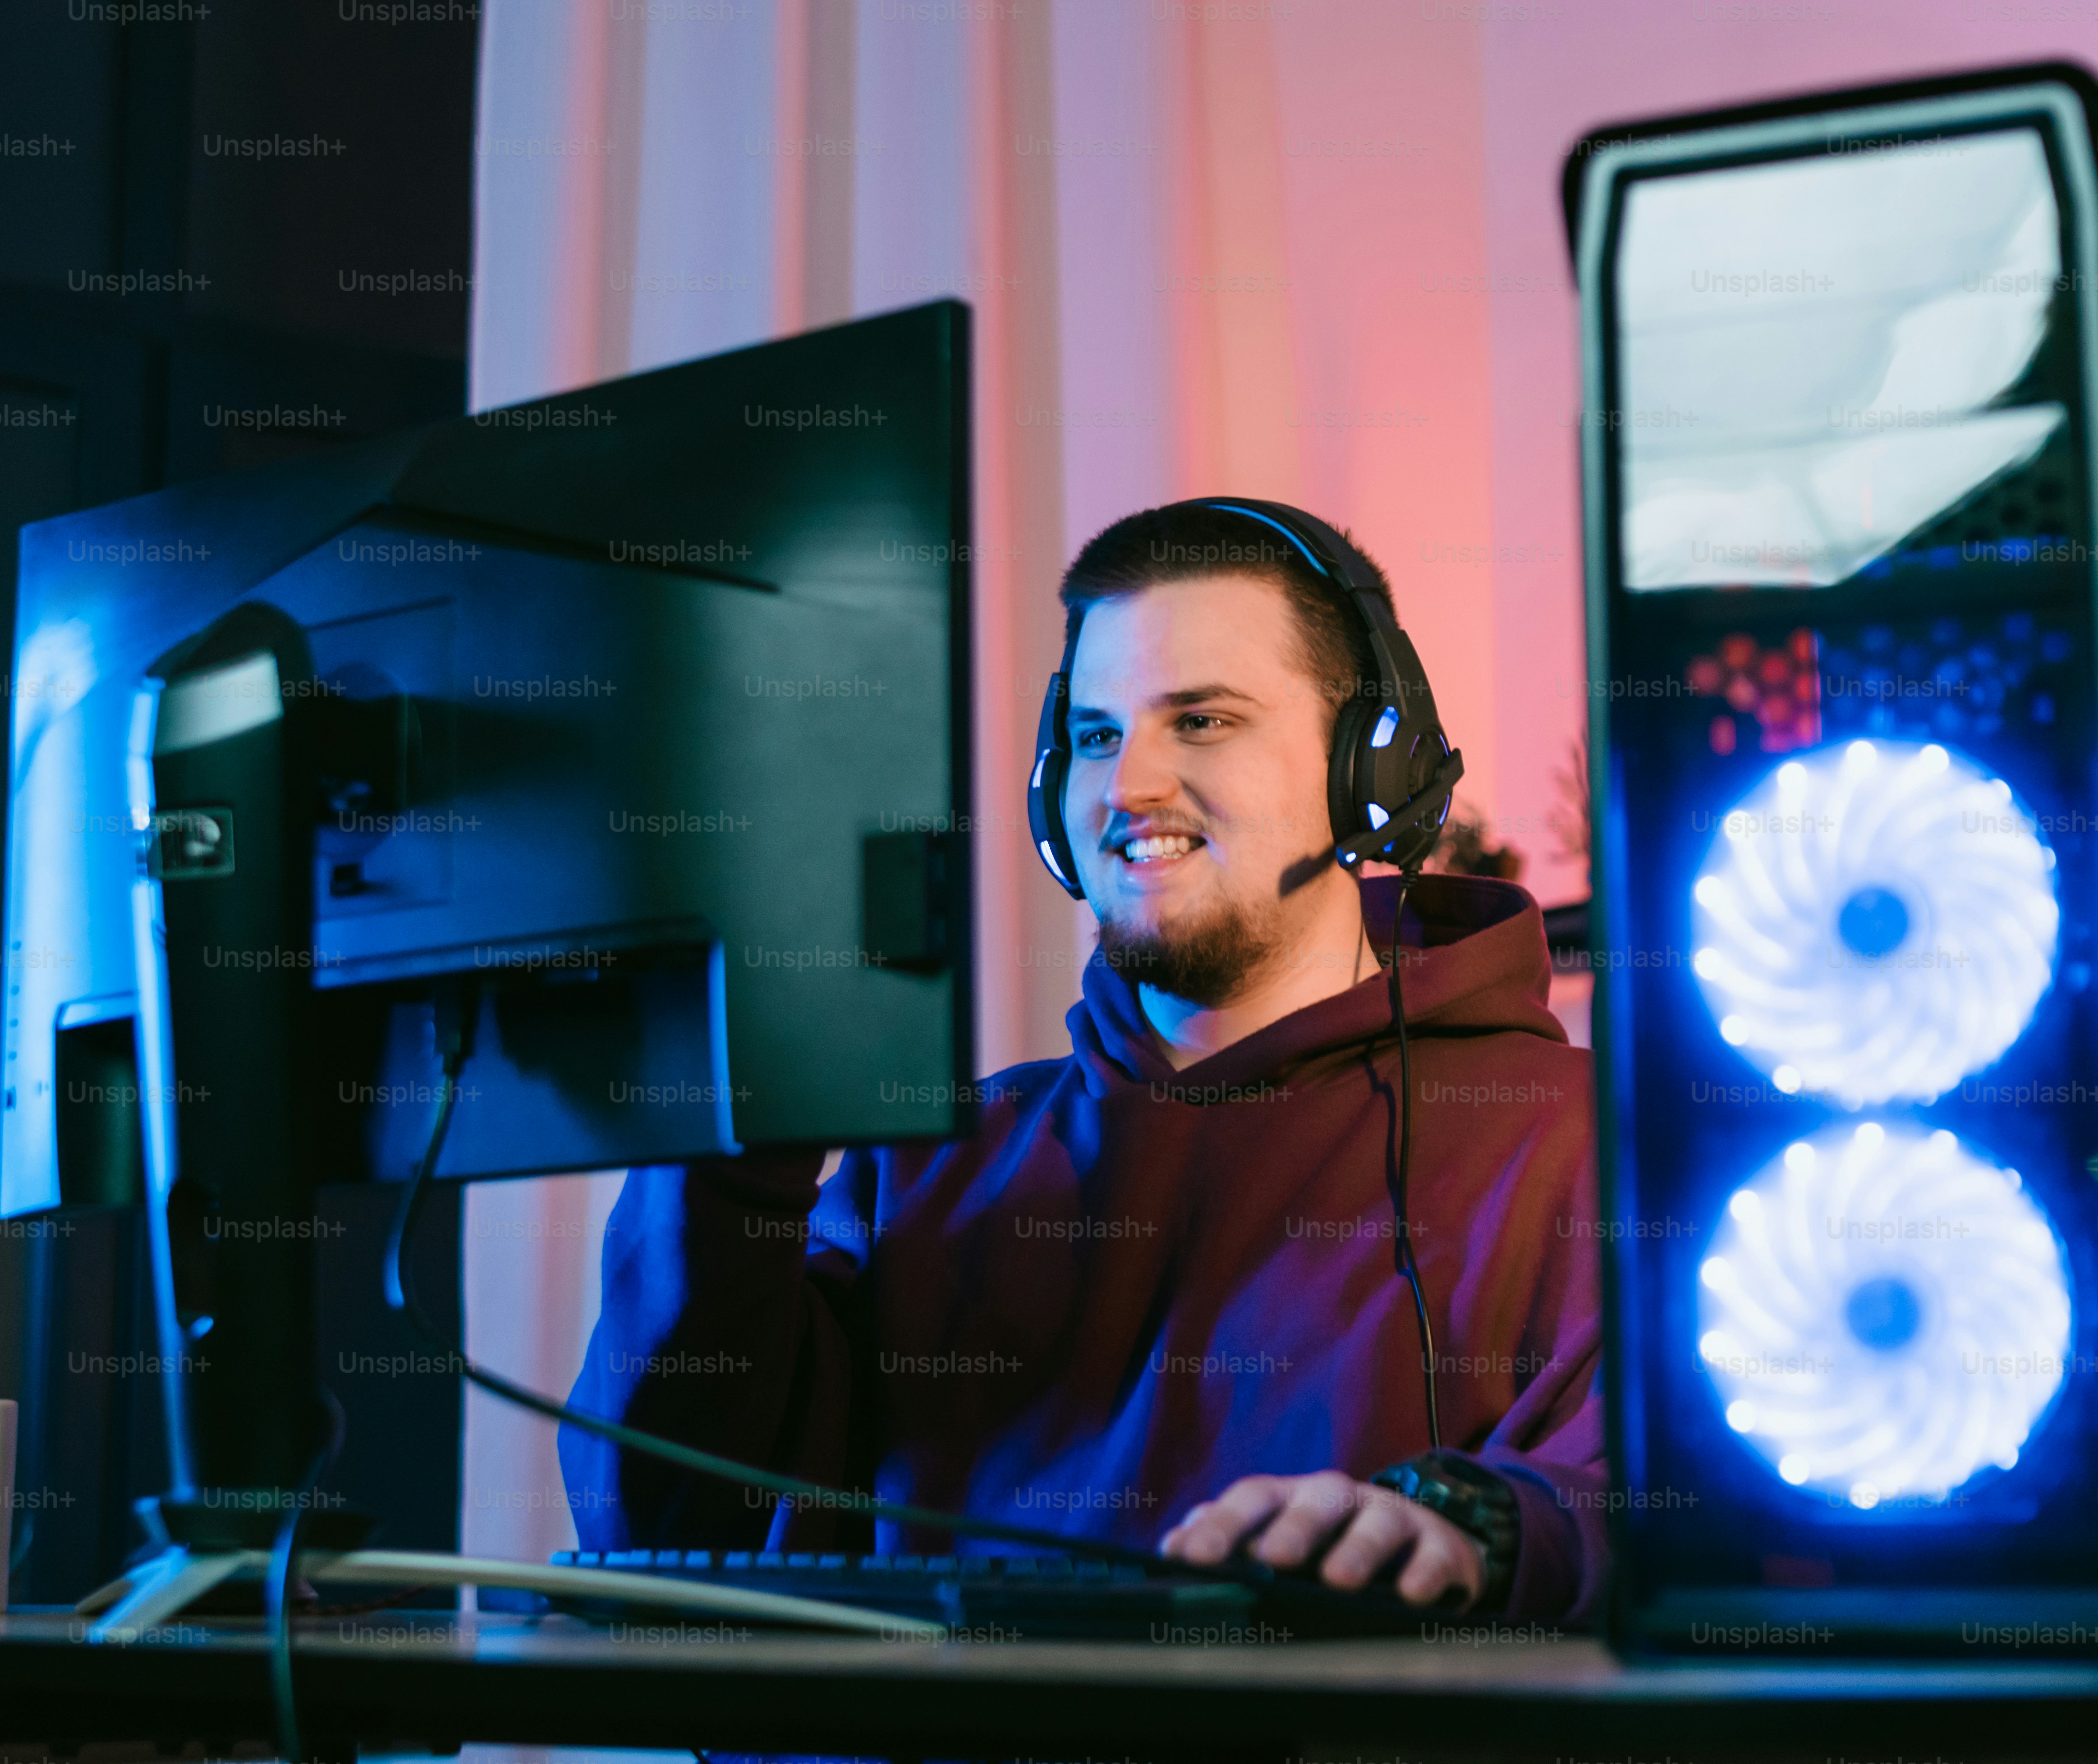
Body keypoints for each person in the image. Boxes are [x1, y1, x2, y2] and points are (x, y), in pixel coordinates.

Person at [562, 499, 1606, 1621]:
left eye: (1200, 720)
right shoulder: (921, 1162)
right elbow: (659, 1536)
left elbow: (1695, 1509)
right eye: (1099, 736)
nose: (1127, 788)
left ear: (1372, 767)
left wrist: (1483, 1524)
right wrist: (728, 1148)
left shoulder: (1587, 1144)